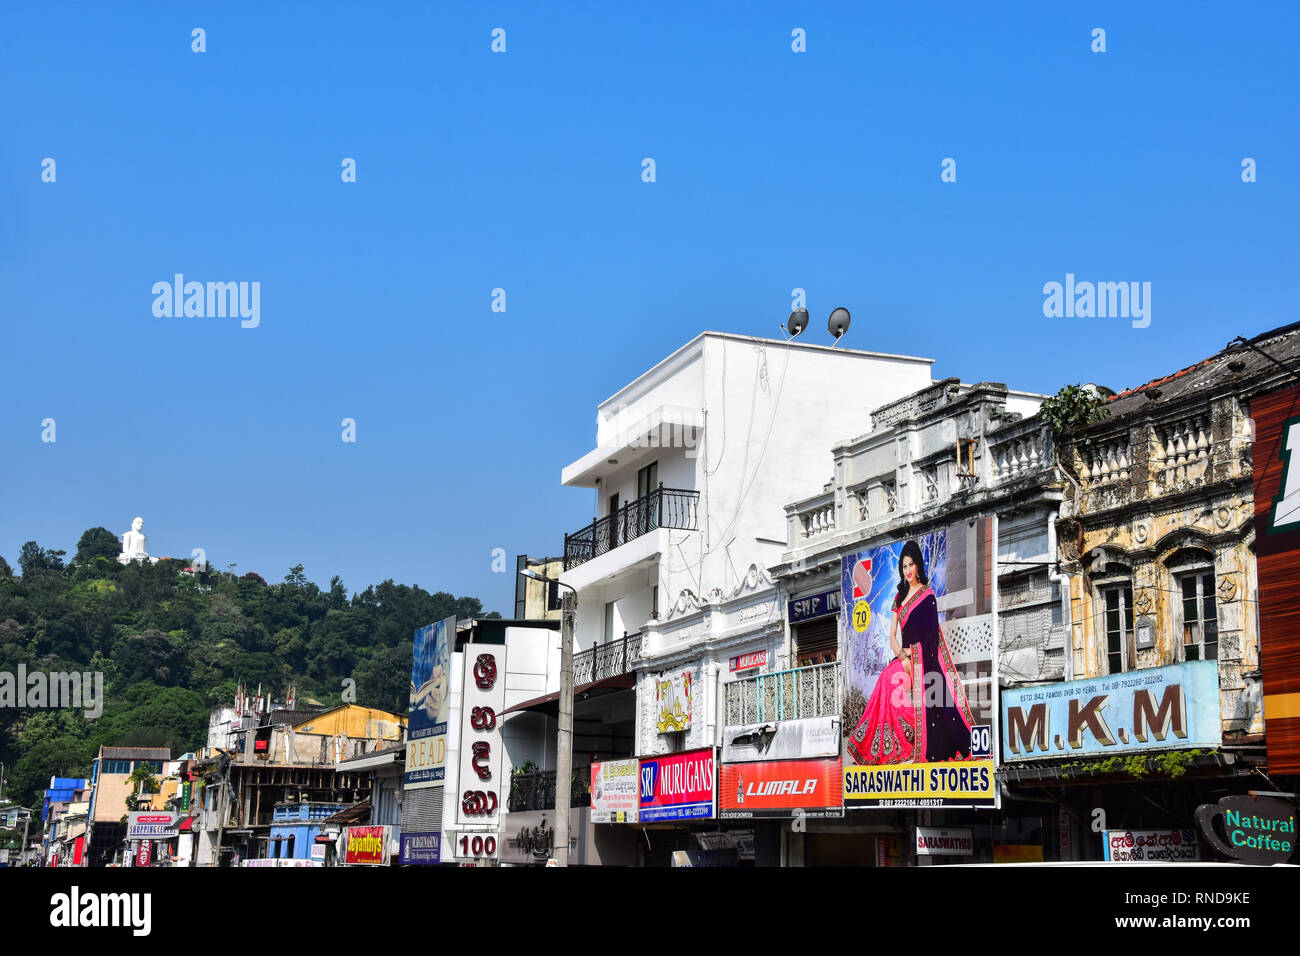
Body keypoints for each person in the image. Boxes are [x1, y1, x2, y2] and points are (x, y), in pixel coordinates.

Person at [847, 541, 974, 764]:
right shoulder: (899, 598)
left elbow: (931, 636)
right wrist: (904, 657)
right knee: (887, 678)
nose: (907, 571)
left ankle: (917, 735)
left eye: (911, 565)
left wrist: (914, 657)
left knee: (896, 683)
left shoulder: (927, 595)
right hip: (905, 658)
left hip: (924, 661)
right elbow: (892, 638)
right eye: (904, 566)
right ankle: (893, 744)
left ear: (918, 566)